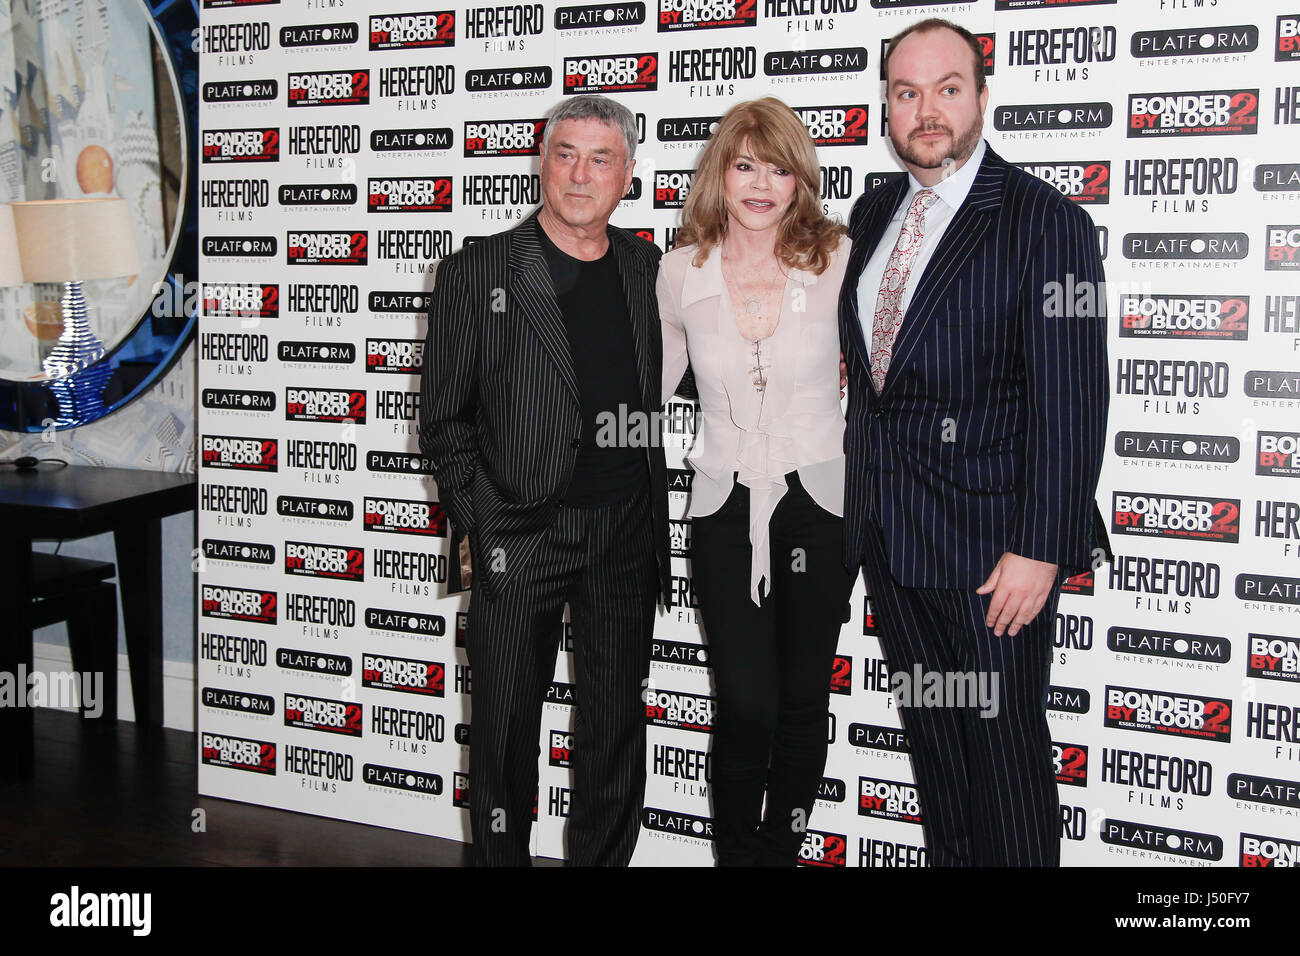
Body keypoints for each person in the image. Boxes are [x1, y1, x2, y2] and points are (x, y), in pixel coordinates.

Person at [839, 18, 1109, 866]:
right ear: (887, 105)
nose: (927, 111)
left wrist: (1041, 546)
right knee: (939, 758)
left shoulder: (1044, 222)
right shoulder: (876, 208)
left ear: (982, 98)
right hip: (891, 538)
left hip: (994, 553)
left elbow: (1074, 397)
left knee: (1005, 761)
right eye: (907, 91)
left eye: (947, 89)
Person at [419, 95, 670, 866]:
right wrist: (482, 520)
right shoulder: (477, 272)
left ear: (627, 175)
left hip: (625, 530)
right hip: (519, 537)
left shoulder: (651, 271)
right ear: (541, 161)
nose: (580, 173)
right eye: (565, 153)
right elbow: (443, 422)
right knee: (502, 735)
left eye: (600, 158)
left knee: (614, 736)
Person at [658, 97, 857, 867]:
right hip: (721, 503)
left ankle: (780, 854)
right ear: (720, 172)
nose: (761, 184)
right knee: (744, 703)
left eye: (779, 167)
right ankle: (737, 857)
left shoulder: (836, 257)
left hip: (820, 503)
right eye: (746, 165)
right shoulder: (682, 270)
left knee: (804, 702)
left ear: (800, 179)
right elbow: (650, 381)